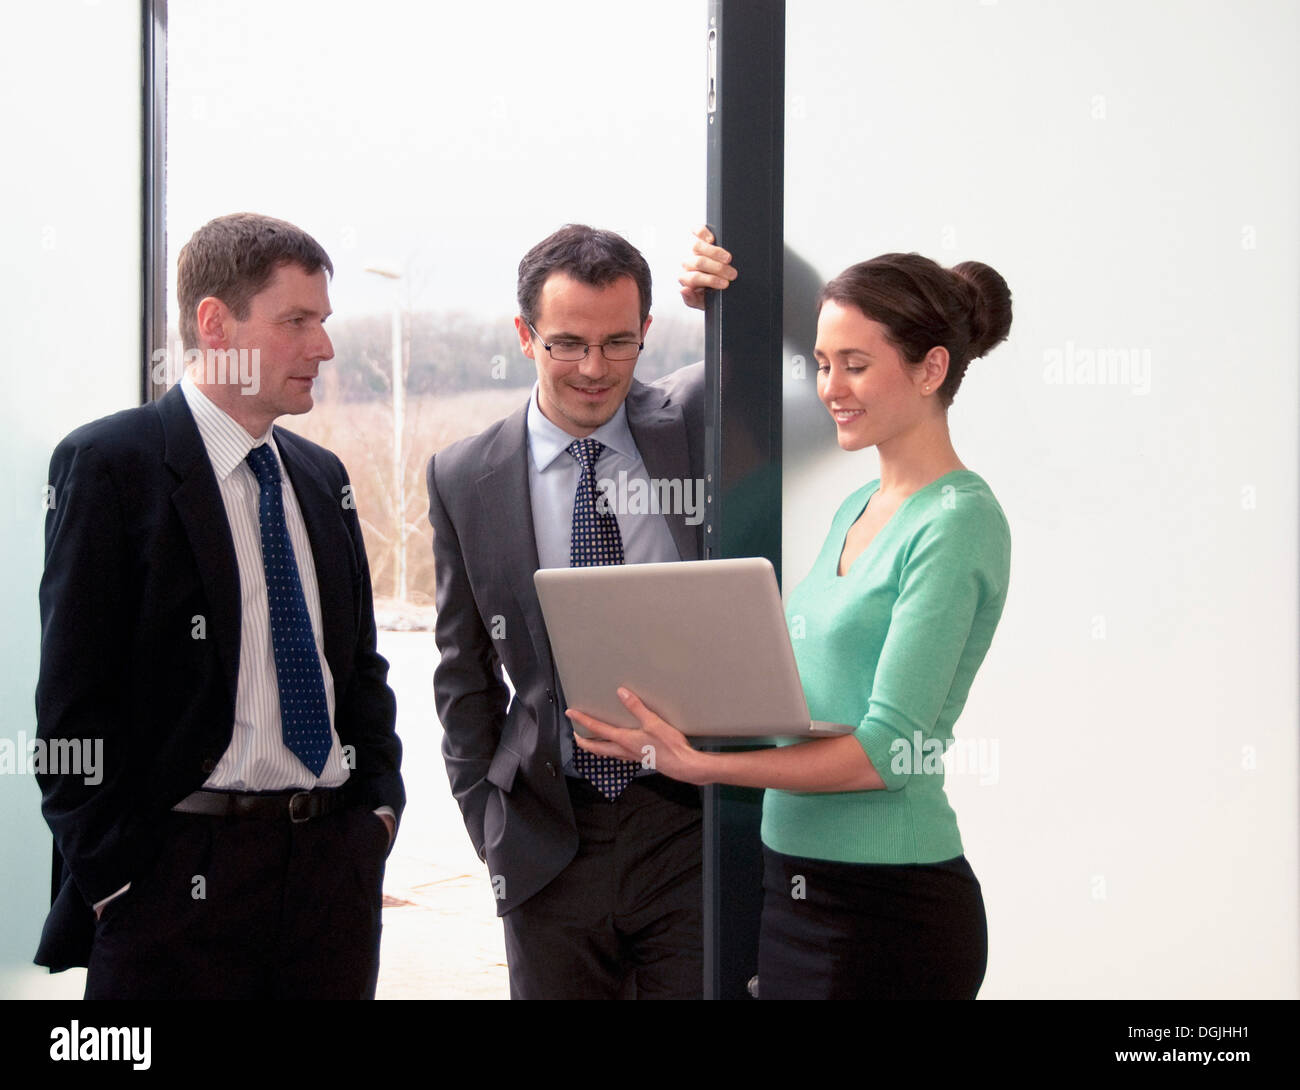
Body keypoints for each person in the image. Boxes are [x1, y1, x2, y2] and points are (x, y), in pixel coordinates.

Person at [573, 230, 1013, 1000]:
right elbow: (812, 700)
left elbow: (884, 751)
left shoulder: (957, 521)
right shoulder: (856, 508)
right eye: (820, 365)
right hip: (797, 887)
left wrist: (700, 766)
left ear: (930, 367)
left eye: (855, 364)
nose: (828, 388)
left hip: (887, 906)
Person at [34, 212, 405, 999]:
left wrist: (377, 813)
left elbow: (360, 672)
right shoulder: (110, 466)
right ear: (214, 322)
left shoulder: (320, 476)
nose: (324, 347)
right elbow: (71, 706)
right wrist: (115, 881)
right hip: (172, 891)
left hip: (328, 884)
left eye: (324, 322)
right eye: (296, 321)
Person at [426, 224, 719, 999]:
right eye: (567, 344)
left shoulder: (691, 422)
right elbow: (463, 674)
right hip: (549, 837)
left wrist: (733, 284)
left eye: (620, 342)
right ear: (525, 336)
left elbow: (808, 359)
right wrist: (491, 831)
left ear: (649, 332)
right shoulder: (464, 475)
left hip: (690, 827)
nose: (595, 370)